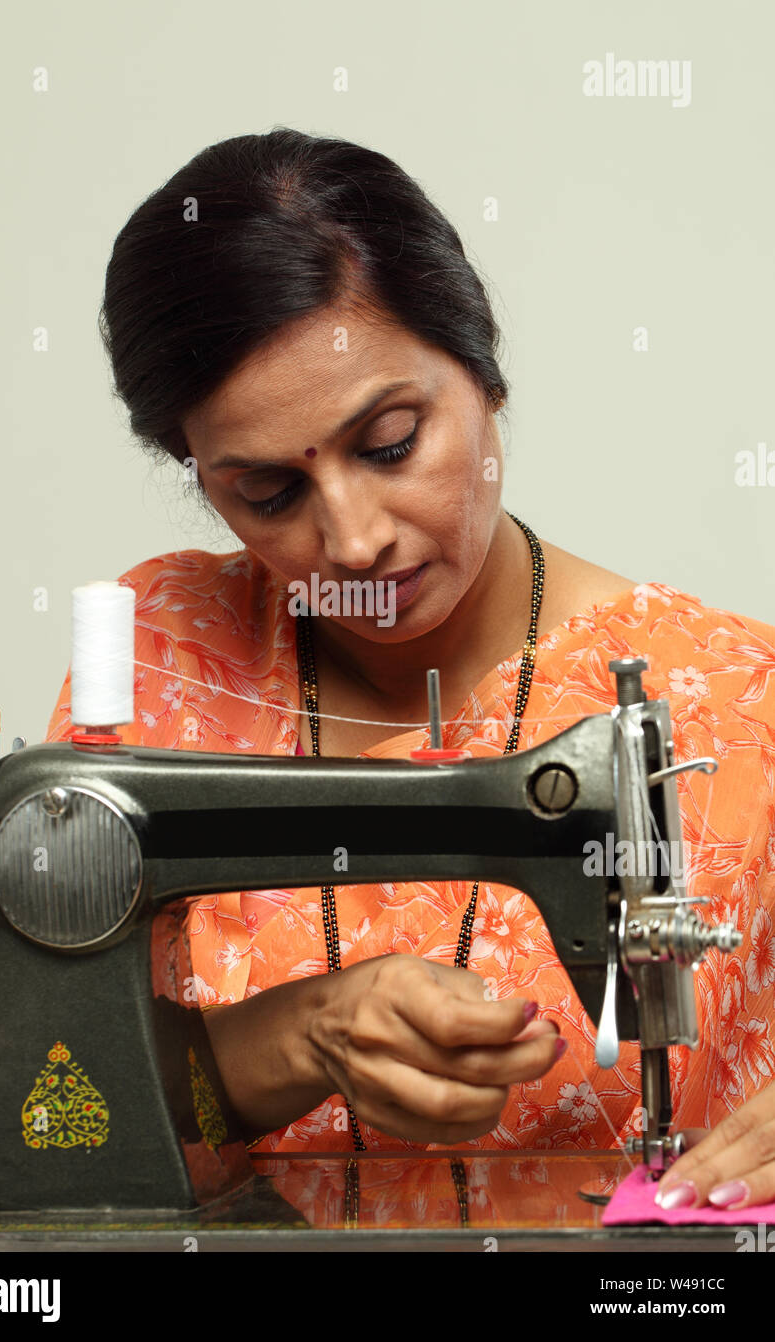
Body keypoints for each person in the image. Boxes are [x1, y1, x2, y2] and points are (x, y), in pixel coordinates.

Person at [46, 128, 775, 1218]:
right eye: (266, 495)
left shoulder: (731, 698)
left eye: (388, 444)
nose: (350, 541)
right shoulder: (164, 662)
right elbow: (63, 1106)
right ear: (201, 482)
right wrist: (304, 1030)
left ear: (481, 367)